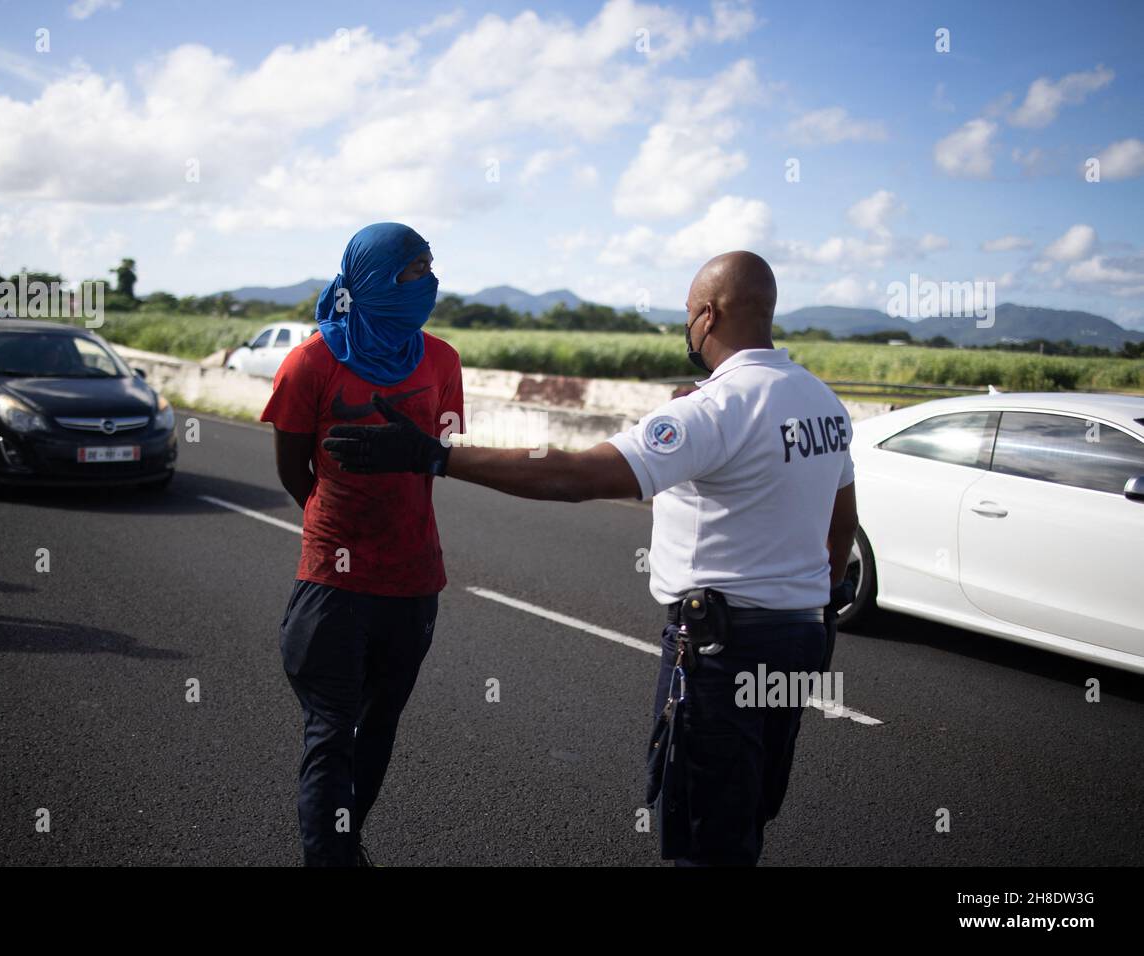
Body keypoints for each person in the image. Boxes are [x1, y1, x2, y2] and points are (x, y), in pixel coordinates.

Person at [323, 250, 859, 866]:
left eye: (689, 314)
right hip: (800, 641)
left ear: (708, 316)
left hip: (722, 649)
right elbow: (840, 519)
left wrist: (437, 456)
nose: (688, 327)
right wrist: (815, 607)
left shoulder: (711, 410)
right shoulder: (822, 402)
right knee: (749, 812)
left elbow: (574, 475)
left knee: (705, 832)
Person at [261, 222, 464, 867]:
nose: (428, 282)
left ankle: (344, 844)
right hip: (335, 584)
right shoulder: (310, 362)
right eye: (413, 270)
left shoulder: (442, 361)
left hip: (413, 581)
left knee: (378, 729)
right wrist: (334, 522)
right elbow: (294, 470)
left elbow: (446, 454)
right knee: (331, 735)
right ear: (373, 279)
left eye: (432, 268)